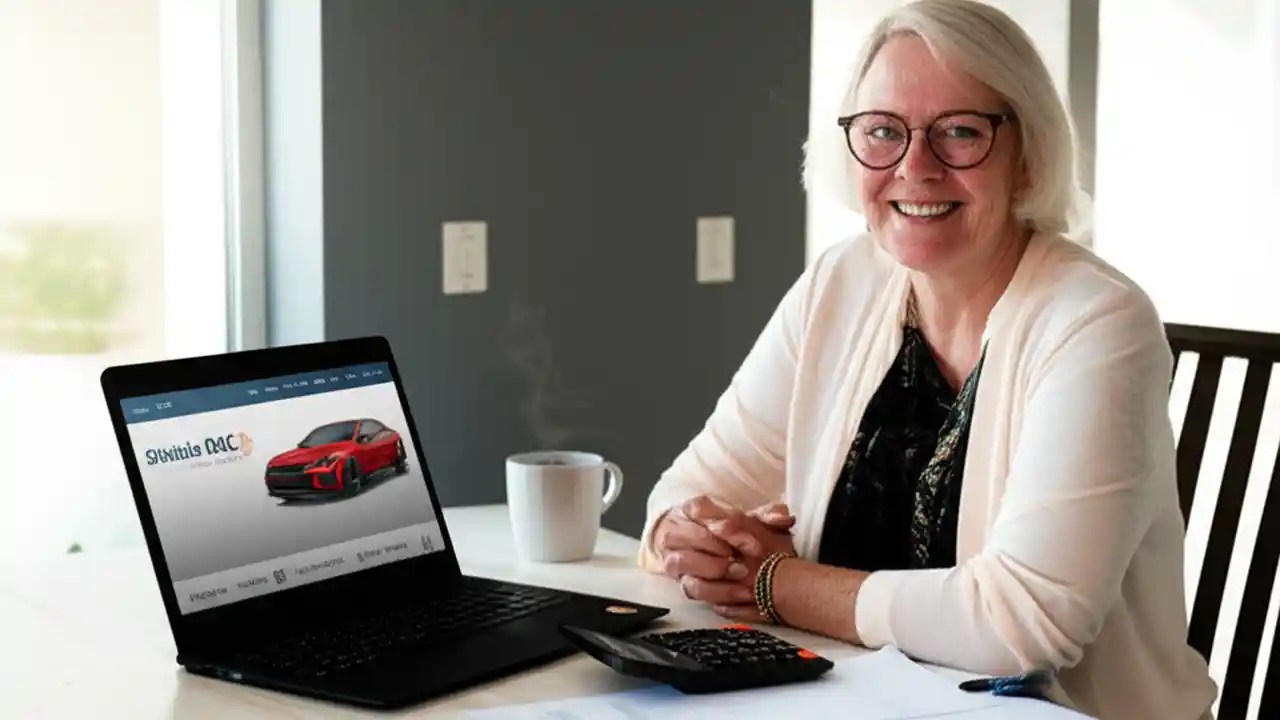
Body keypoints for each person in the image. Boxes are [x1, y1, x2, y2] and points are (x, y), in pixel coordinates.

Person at [636, 1, 1217, 719]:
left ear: (1028, 152)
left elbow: (1023, 624)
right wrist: (693, 541)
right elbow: (683, 494)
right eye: (883, 131)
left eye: (960, 132)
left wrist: (773, 581)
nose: (915, 167)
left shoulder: (1097, 322)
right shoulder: (839, 284)